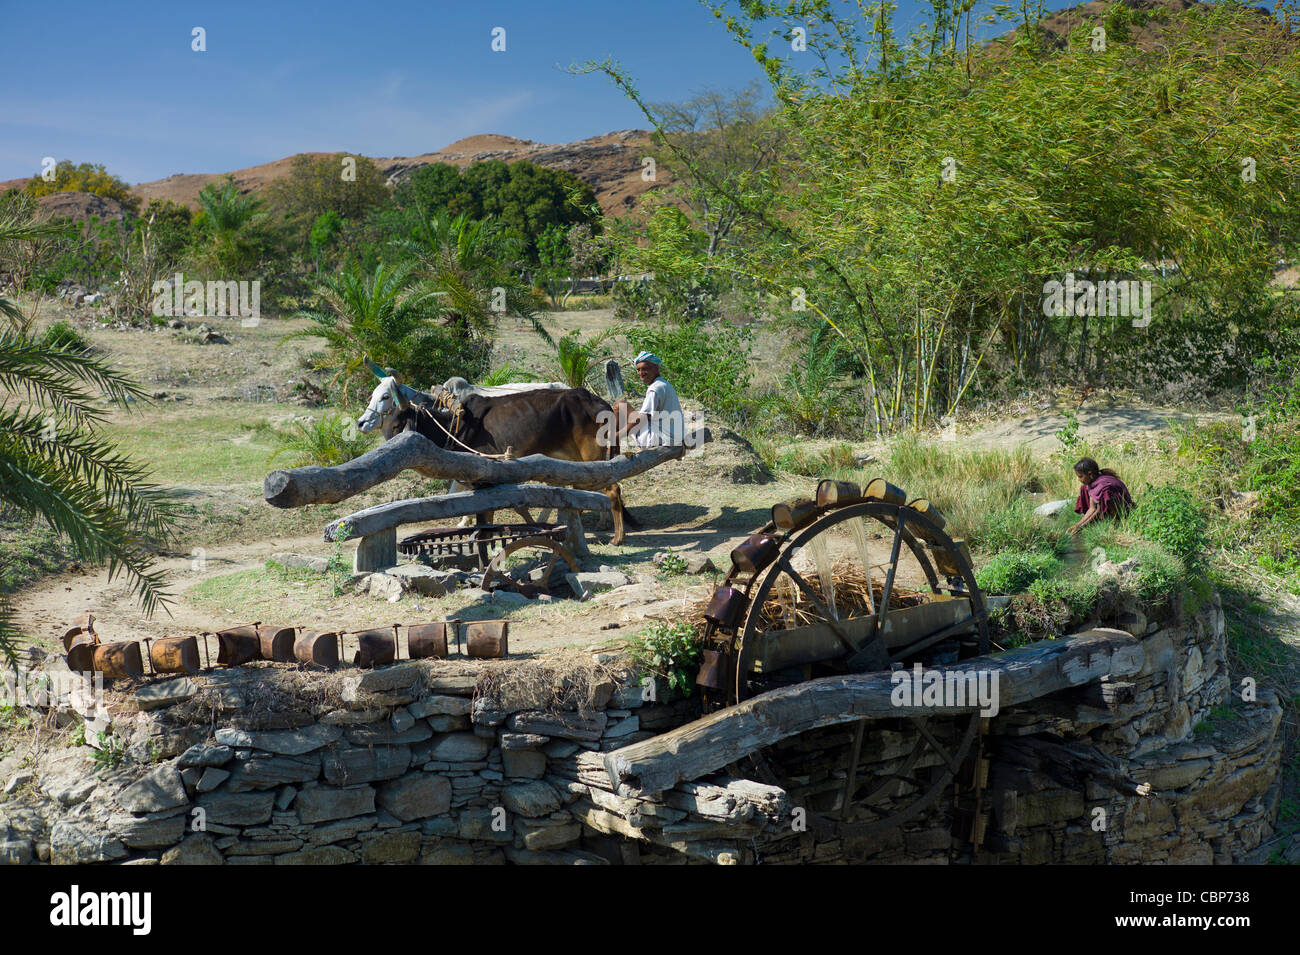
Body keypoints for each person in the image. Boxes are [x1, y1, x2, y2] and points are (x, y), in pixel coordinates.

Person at [612, 352, 683, 448]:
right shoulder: (664, 384)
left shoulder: (655, 388)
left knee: (620, 406)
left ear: (656, 368)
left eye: (645, 369)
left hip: (659, 439)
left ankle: (614, 448)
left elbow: (642, 418)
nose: (641, 373)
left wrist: (619, 434)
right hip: (674, 437)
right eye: (638, 370)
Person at [1066, 457, 1134, 536]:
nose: (1078, 479)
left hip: (1124, 510)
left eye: (1080, 476)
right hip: (1105, 510)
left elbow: (1098, 510)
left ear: (1090, 474)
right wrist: (1078, 524)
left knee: (1107, 495)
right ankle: (1106, 521)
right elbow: (1092, 508)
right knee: (1084, 488)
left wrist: (1081, 527)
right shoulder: (1092, 484)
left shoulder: (1104, 486)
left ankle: (1117, 523)